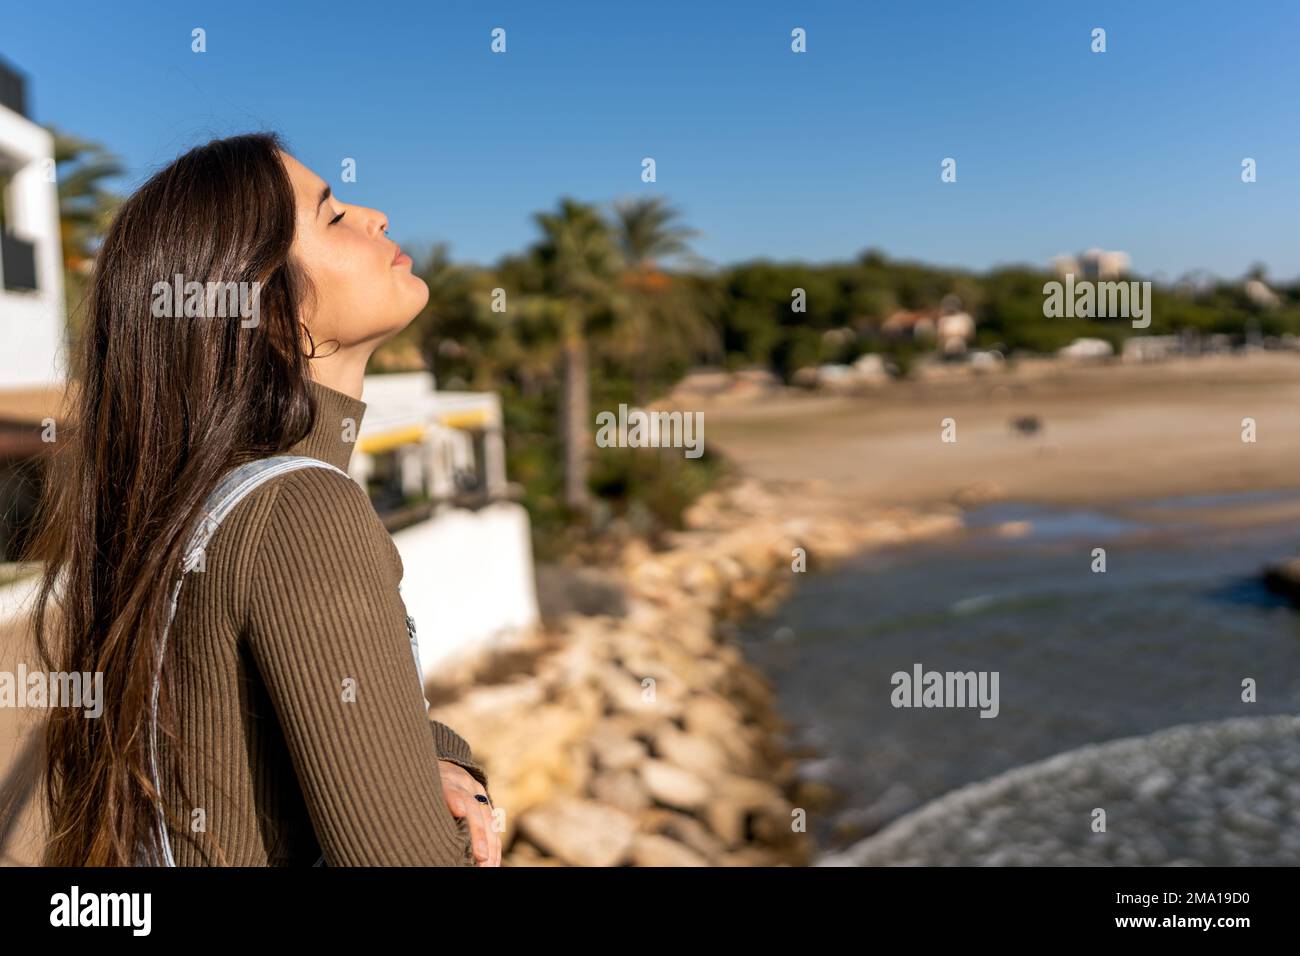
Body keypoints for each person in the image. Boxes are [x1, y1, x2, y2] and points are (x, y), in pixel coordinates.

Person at [21, 131, 501, 866]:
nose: (375, 215)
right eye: (334, 217)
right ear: (272, 313)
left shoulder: (201, 507)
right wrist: (467, 816)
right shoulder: (304, 512)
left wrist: (435, 755)